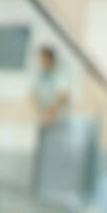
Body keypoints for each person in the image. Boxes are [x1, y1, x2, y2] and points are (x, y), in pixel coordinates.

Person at [32, 46, 69, 197]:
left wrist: (50, 112)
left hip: (57, 121)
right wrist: (40, 111)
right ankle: (44, 189)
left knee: (59, 155)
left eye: (43, 59)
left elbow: (62, 95)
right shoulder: (40, 75)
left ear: (50, 59)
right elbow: (33, 93)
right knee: (44, 155)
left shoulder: (59, 76)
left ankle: (61, 187)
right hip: (44, 120)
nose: (41, 62)